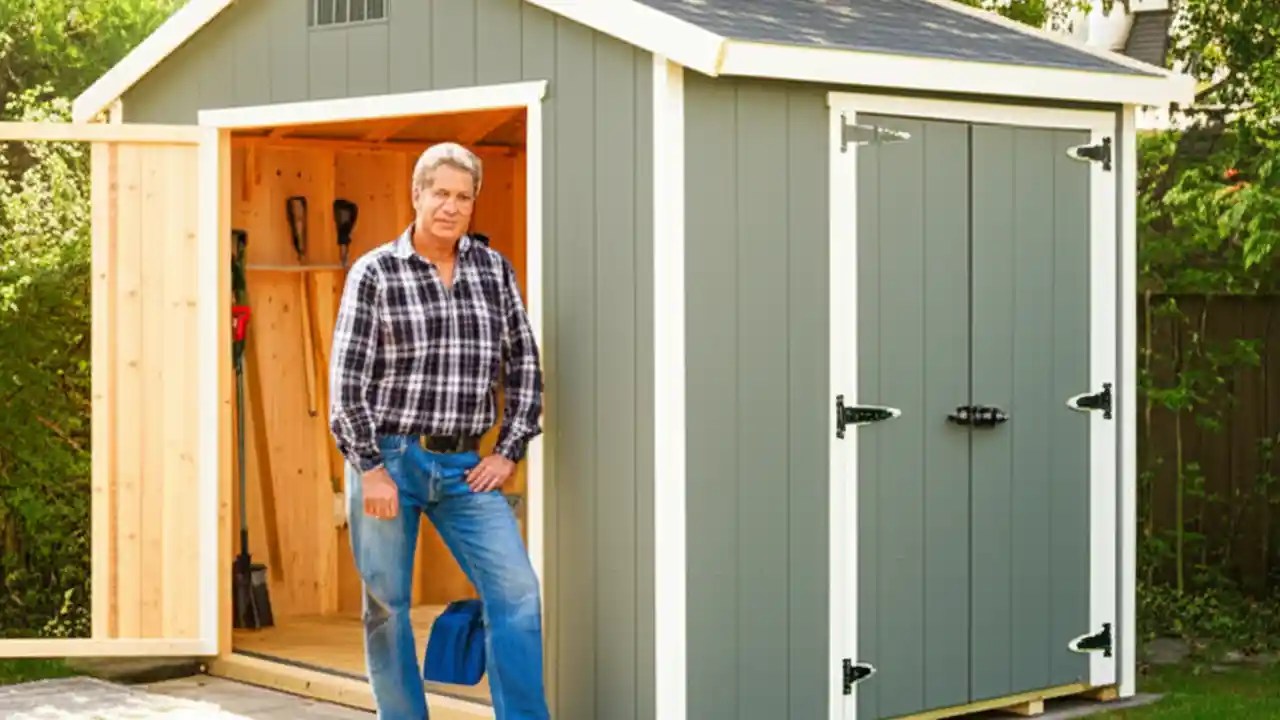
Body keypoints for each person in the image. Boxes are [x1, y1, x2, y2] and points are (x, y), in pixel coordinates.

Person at [328, 141, 549, 720]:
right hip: (390, 462)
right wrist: (369, 467)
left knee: (518, 594)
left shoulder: (493, 270)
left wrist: (509, 450)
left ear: (473, 203)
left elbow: (523, 362)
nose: (450, 207)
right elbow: (346, 382)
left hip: (464, 468)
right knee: (387, 606)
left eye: (463, 197)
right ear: (417, 194)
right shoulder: (375, 272)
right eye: (440, 193)